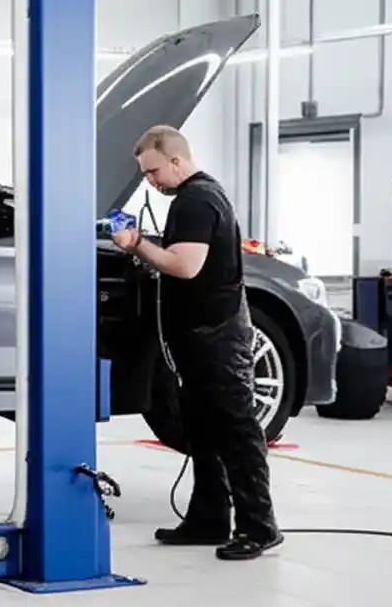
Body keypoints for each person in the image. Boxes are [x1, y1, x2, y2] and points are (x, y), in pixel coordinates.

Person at [110, 124, 283, 561]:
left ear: (175, 159)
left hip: (217, 337)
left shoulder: (196, 200)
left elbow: (185, 266)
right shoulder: (200, 197)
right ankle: (208, 519)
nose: (150, 181)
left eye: (152, 171)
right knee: (204, 429)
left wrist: (136, 245)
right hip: (203, 335)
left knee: (235, 429)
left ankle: (259, 527)